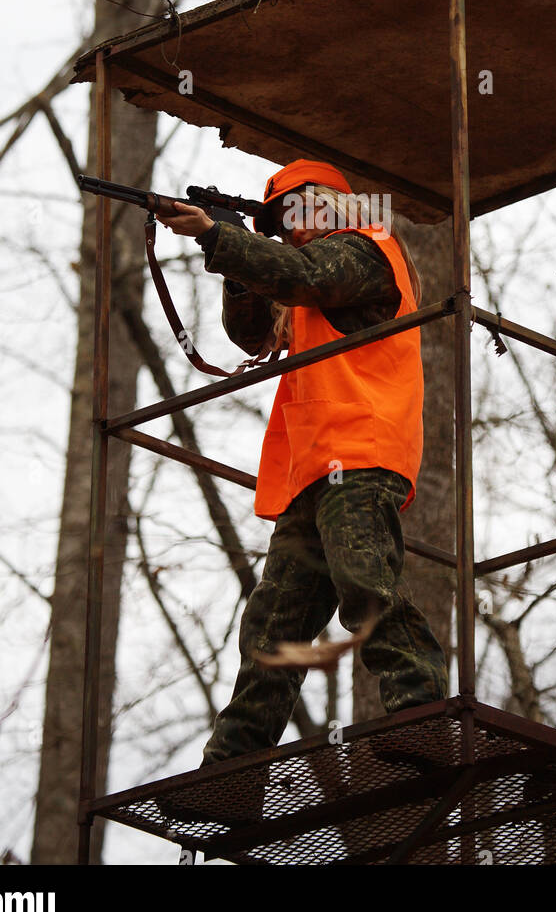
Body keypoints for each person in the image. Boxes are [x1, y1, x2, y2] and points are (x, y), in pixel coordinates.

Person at [155, 158, 448, 815]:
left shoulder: (368, 252)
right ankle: (232, 775)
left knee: (363, 583)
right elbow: (250, 331)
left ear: (333, 206)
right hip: (310, 470)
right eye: (281, 219)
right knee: (272, 626)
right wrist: (229, 248)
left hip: (361, 451)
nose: (290, 228)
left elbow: (303, 275)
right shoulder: (302, 279)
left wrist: (220, 237)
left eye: (298, 212)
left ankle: (422, 718)